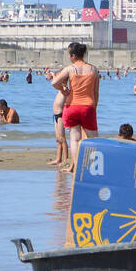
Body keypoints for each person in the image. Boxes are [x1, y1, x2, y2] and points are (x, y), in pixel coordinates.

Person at [51, 42, 100, 174]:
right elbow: (96, 93)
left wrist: (63, 89)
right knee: (93, 140)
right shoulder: (94, 70)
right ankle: (91, 168)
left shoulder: (70, 69)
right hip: (87, 106)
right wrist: (93, 108)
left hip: (71, 107)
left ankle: (75, 167)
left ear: (73, 56)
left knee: (75, 139)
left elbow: (54, 82)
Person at [48, 82, 69, 167]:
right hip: (55, 115)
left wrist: (53, 77)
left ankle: (66, 160)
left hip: (61, 115)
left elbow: (55, 84)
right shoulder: (60, 90)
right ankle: (58, 159)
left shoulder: (64, 90)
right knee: (58, 139)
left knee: (62, 138)